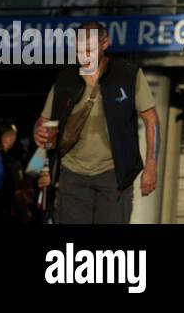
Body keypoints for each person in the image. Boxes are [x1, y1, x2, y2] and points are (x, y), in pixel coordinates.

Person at [32, 22, 159, 224]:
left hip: (114, 175)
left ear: (104, 44)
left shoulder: (128, 74)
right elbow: (44, 121)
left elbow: (151, 119)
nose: (84, 55)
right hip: (72, 175)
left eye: (89, 49)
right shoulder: (65, 80)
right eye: (80, 49)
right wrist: (38, 130)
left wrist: (151, 165)